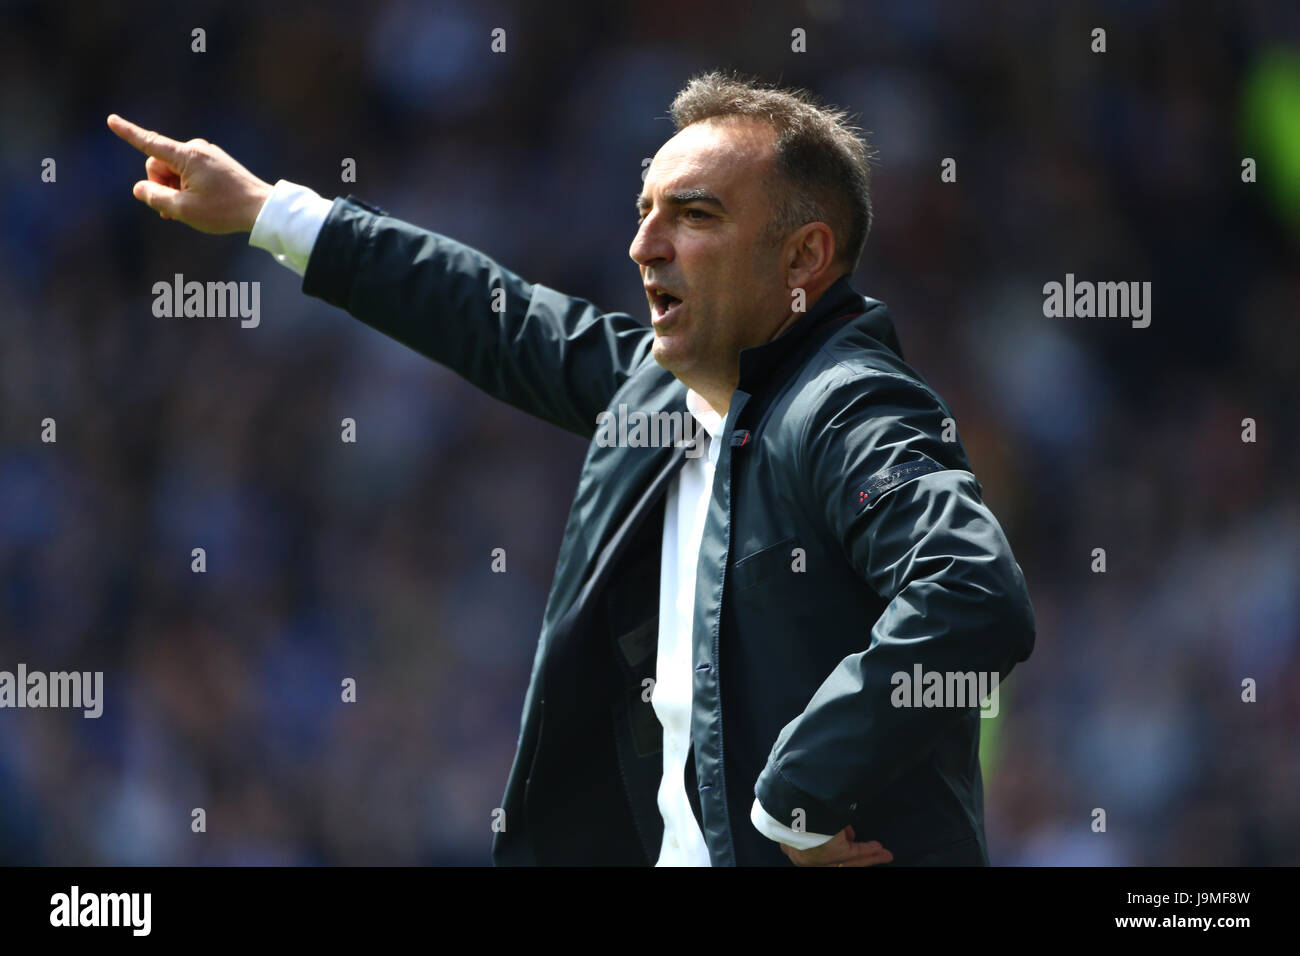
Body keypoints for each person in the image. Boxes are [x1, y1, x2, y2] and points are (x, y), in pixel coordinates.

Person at [107, 70, 1035, 867]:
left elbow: (974, 592)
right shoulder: (658, 397)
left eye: (694, 215)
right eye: (644, 214)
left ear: (803, 257)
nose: (645, 246)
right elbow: (487, 312)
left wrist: (797, 788)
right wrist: (270, 211)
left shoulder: (849, 406)